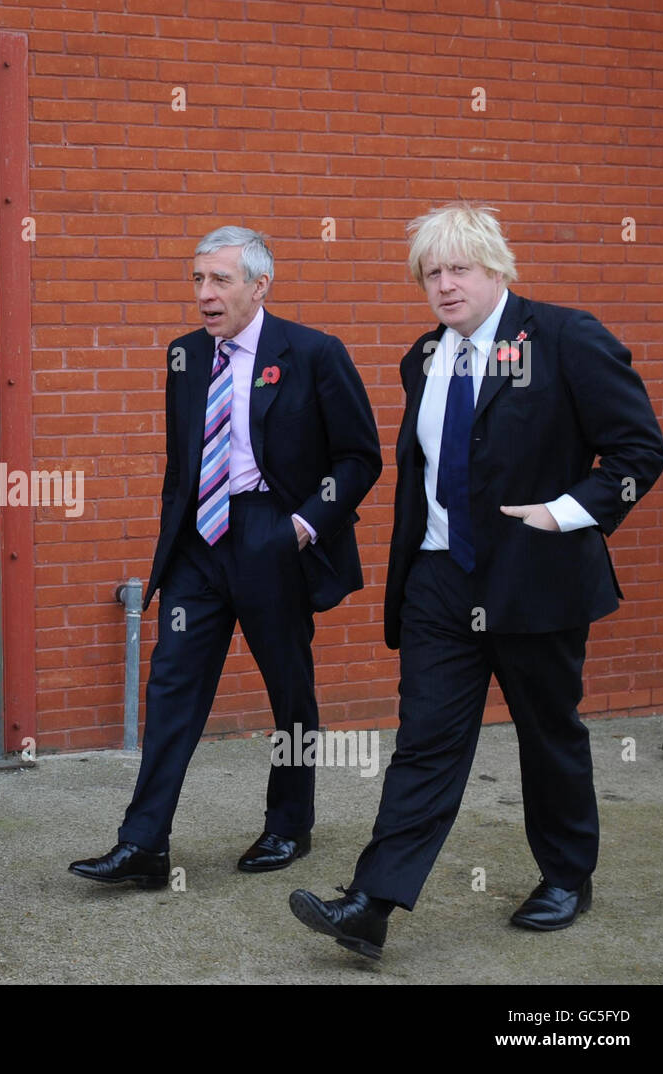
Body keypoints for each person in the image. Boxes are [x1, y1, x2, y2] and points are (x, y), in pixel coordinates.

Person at [289, 204, 663, 959]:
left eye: (459, 268)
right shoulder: (423, 358)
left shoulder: (564, 338)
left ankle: (567, 876)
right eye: (431, 272)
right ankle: (371, 904)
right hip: (439, 579)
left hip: (537, 577)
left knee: (547, 734)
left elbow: (639, 451)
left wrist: (565, 512)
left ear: (497, 268)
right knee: (424, 743)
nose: (444, 284)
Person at [69, 226, 381, 887]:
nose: (204, 294)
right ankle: (144, 844)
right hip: (199, 546)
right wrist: (172, 538)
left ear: (259, 286)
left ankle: (289, 825)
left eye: (219, 280)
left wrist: (303, 524)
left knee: (288, 689)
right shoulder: (184, 356)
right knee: (173, 685)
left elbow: (360, 457)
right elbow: (182, 463)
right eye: (197, 280)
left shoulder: (314, 353)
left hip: (274, 534)